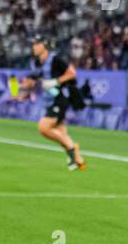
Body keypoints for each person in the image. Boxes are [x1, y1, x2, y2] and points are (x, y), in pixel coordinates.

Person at [18, 37, 86, 171]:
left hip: (61, 97)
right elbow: (34, 79)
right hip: (50, 99)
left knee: (44, 127)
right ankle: (78, 160)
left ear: (44, 45)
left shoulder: (56, 59)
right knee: (60, 132)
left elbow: (72, 73)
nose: (34, 47)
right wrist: (24, 91)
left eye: (36, 44)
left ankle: (72, 148)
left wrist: (56, 81)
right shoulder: (37, 63)